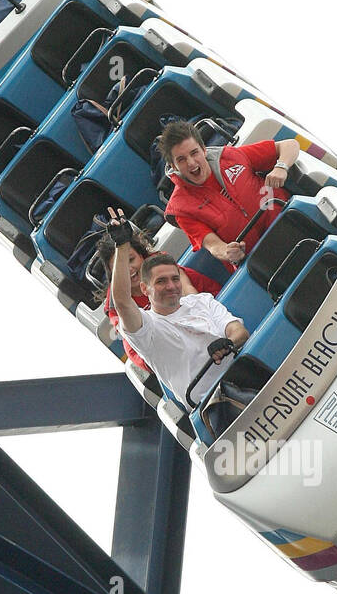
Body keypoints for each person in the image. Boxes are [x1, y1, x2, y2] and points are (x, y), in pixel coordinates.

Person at [108, 217, 249, 408]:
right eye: (161, 282)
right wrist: (122, 246)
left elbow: (239, 332)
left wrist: (227, 343)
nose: (171, 286)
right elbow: (123, 303)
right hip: (214, 401)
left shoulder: (201, 301)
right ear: (145, 289)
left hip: (243, 372)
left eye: (175, 278)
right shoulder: (146, 329)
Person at [159, 119, 300, 273]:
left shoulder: (230, 156)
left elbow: (290, 145)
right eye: (181, 159)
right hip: (258, 261)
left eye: (194, 153)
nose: (191, 163)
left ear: (204, 150)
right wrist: (227, 251)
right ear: (174, 166)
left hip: (290, 224)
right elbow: (212, 245)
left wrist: (281, 167)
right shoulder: (181, 209)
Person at [96, 208, 223, 371]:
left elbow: (190, 293)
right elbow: (139, 354)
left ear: (142, 255)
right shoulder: (116, 305)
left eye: (131, 259)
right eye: (120, 266)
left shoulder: (158, 262)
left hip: (212, 312)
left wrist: (205, 331)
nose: (129, 269)